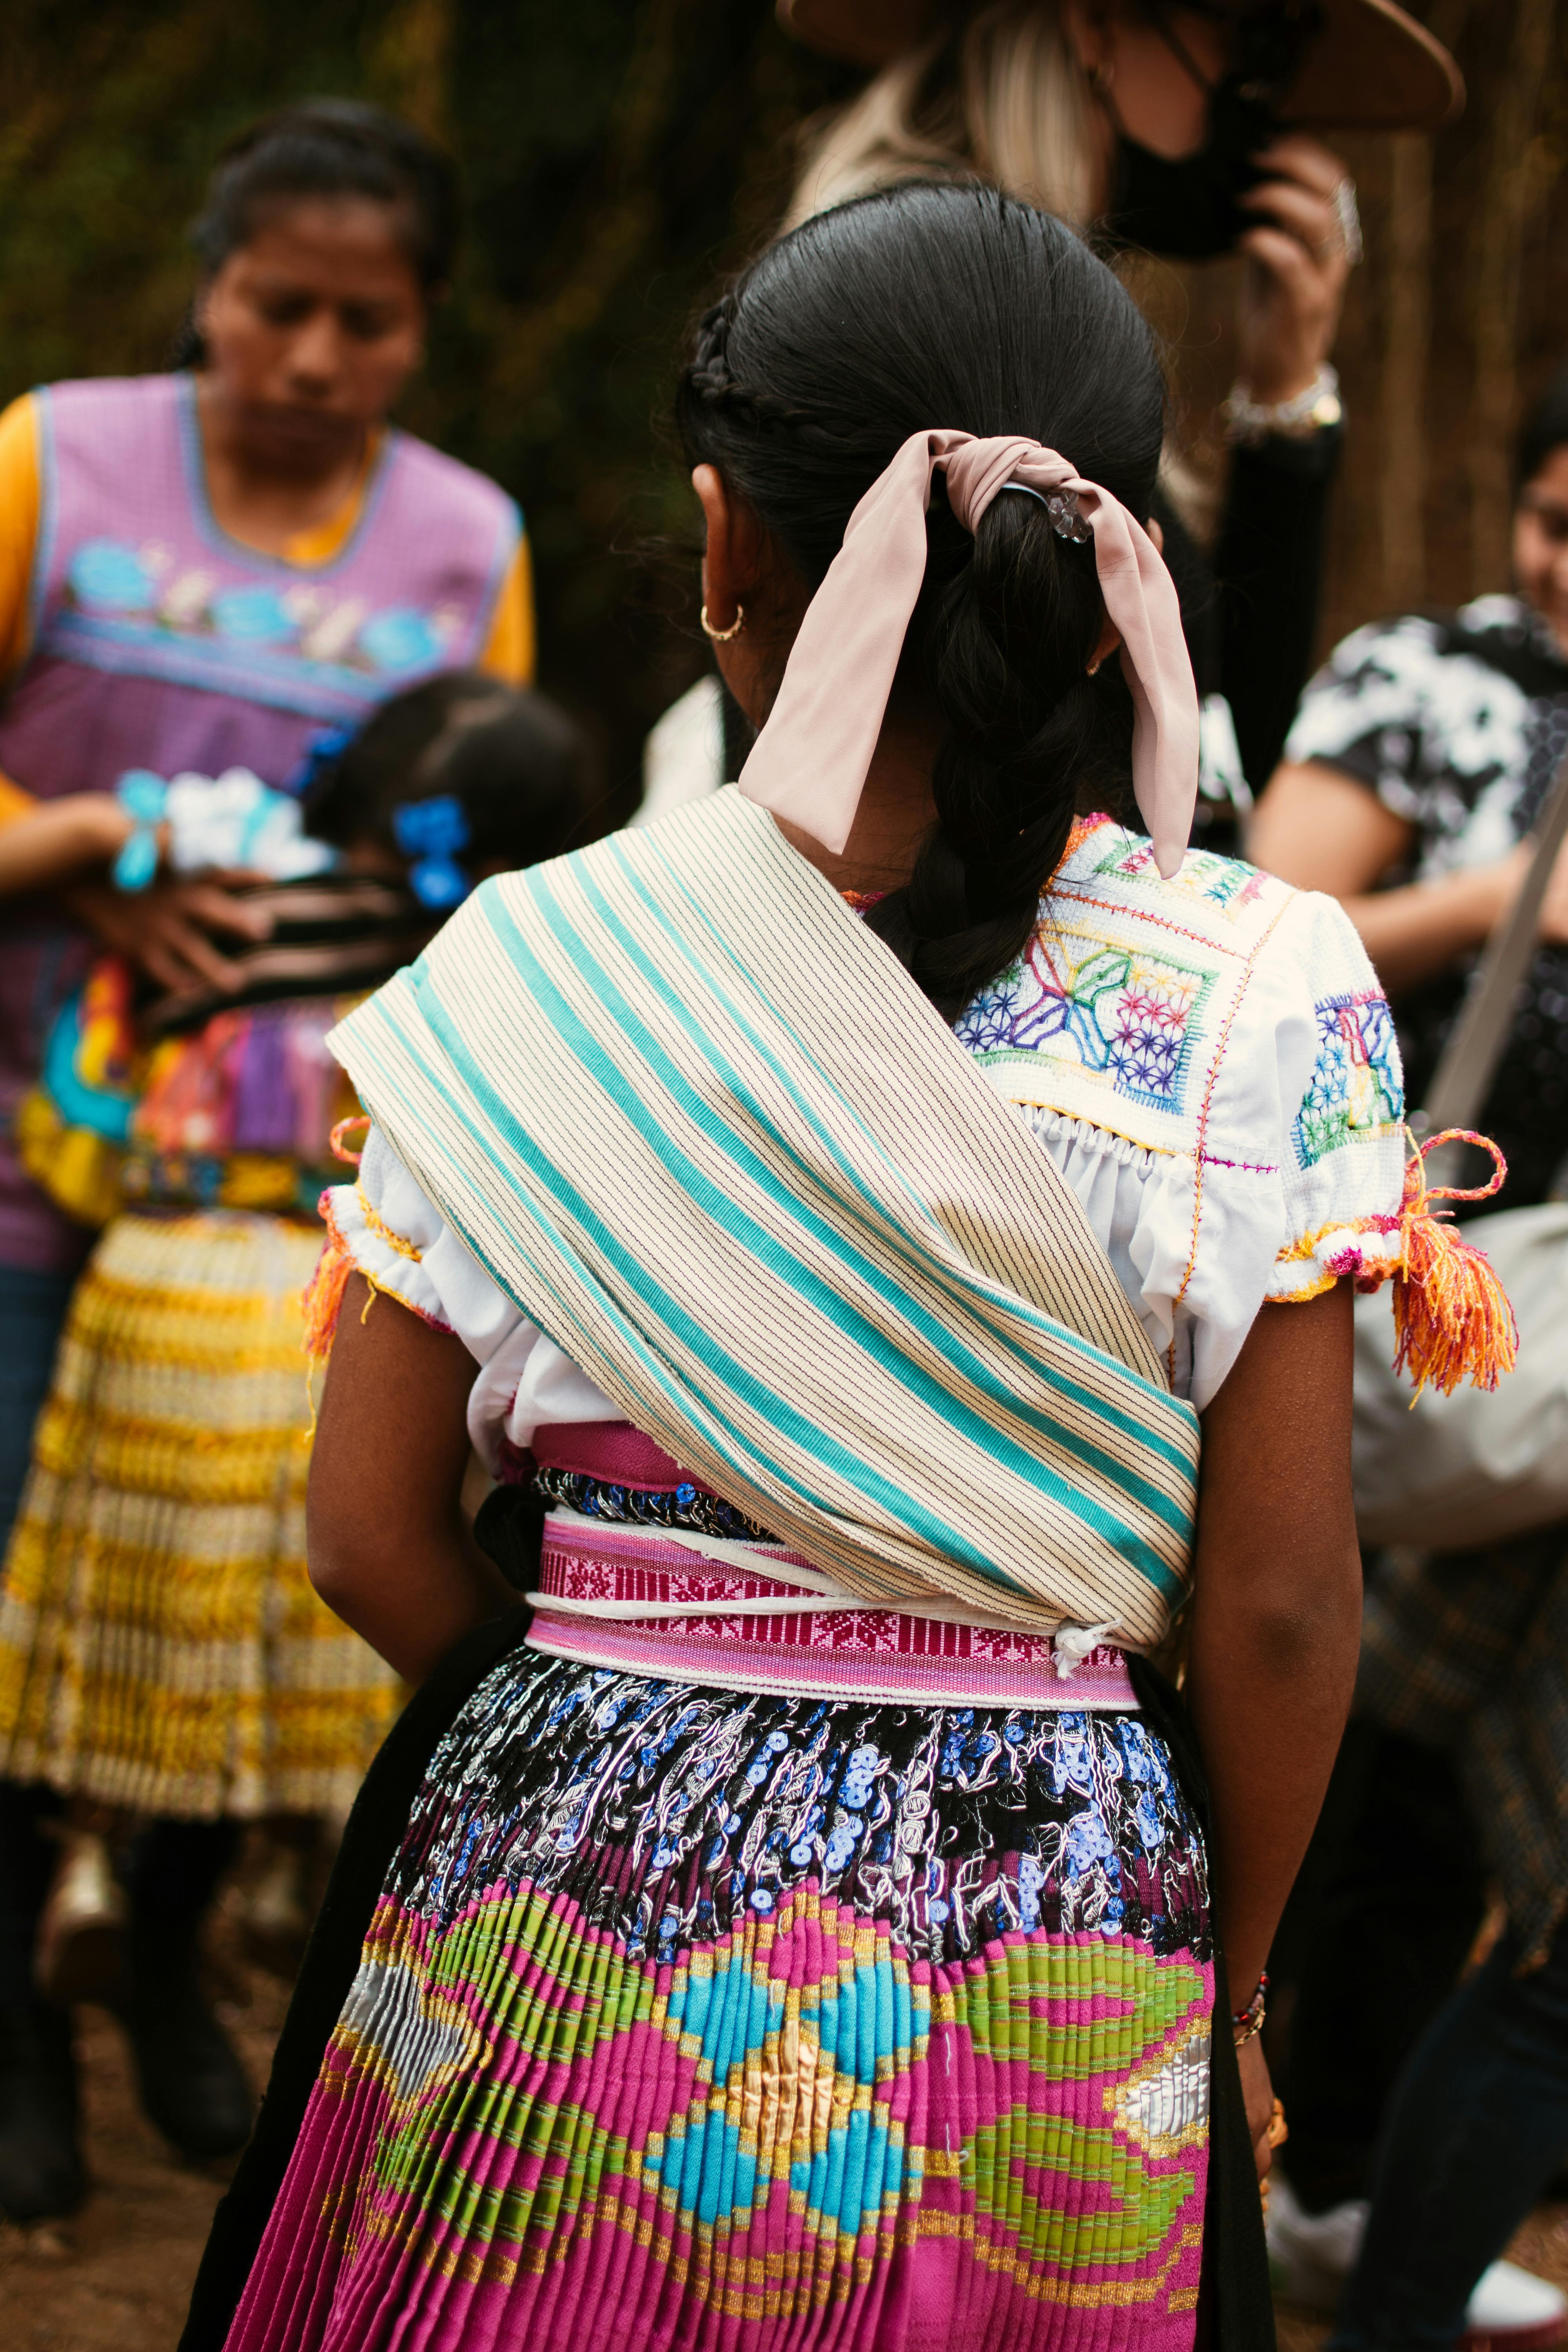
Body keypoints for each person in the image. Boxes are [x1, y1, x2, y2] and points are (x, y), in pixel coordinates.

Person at [178, 183, 1500, 2352]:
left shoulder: (533, 977)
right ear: (1111, 585)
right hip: (1045, 1937)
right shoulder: (1262, 982)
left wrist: (627, 1686)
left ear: (724, 547)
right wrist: (1230, 1988)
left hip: (559, 1898)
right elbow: (1276, 1605)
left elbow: (365, 1532)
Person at [0, 96, 537, 2224]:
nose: (315, 357)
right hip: (38, 1159)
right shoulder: (54, 459)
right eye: (276, 307)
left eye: (367, 321)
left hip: (288, 1199)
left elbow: (476, 860)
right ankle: (18, 2007)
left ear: (417, 334)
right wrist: (81, 853)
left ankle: (169, 1977)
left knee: (236, 1586)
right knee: (32, 1610)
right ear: (207, 295)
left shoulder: (466, 546)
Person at [650, 0, 1459, 845]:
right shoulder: (937, 318)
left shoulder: (1040, 311)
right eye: (1250, 44)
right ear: (1099, 24)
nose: (1266, 109)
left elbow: (1208, 747)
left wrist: (1284, 402)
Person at [1247, 362, 1568, 2345]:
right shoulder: (1430, 681)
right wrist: (1515, 903)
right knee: (1342, 1745)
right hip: (1423, 1283)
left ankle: (1348, 2188)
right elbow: (1265, 929)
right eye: (1554, 516)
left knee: (1470, 1798)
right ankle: (1286, 2169)